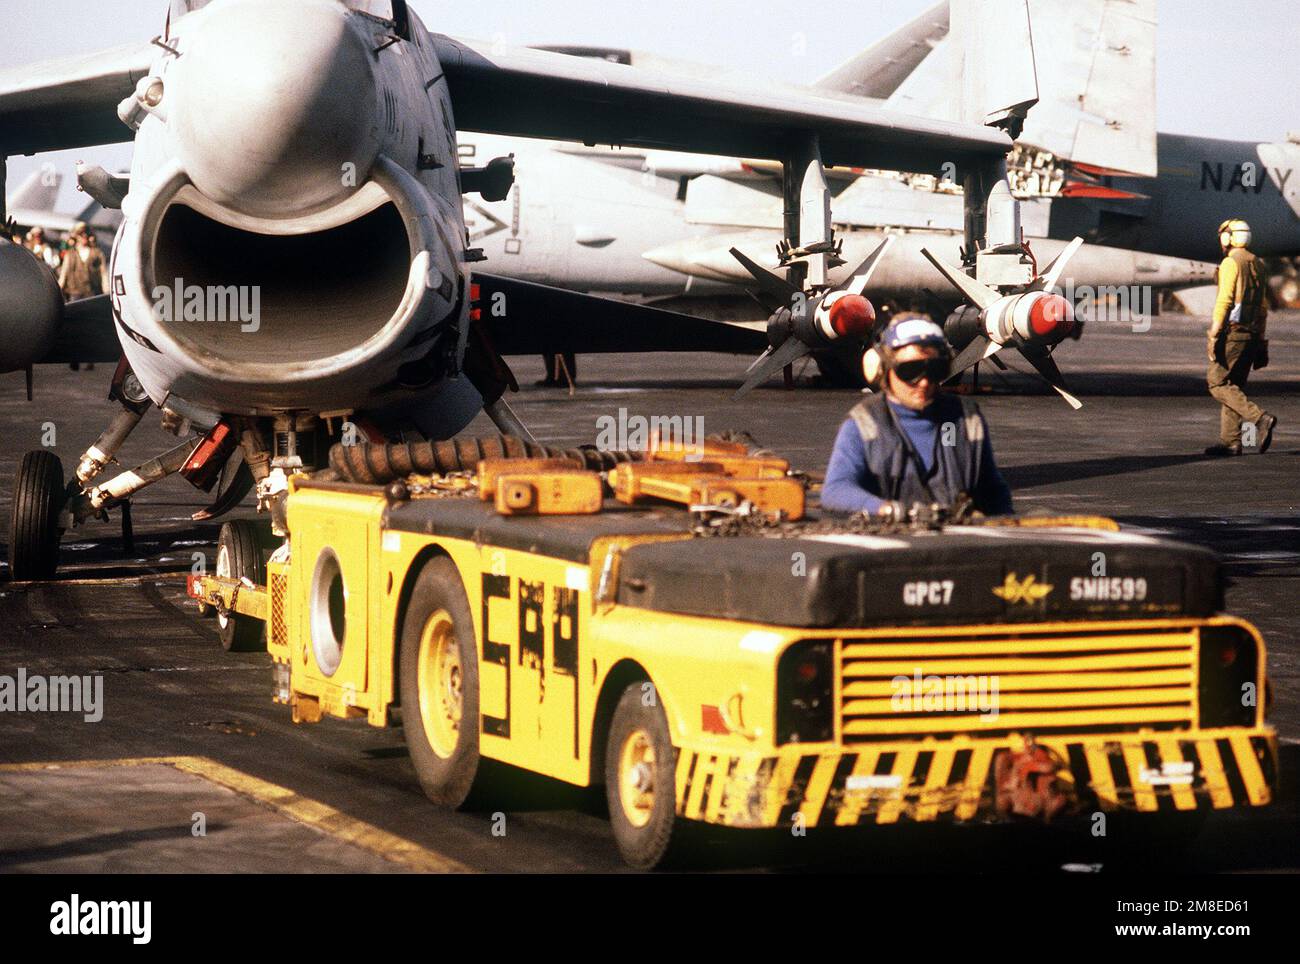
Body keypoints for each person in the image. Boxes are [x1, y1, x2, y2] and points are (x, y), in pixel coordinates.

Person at [822, 317, 1013, 517]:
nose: (923, 383)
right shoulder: (864, 423)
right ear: (883, 370)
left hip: (957, 541)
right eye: (910, 371)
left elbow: (992, 490)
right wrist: (887, 509)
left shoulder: (966, 419)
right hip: (890, 539)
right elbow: (835, 490)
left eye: (934, 370)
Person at [1204, 219, 1277, 456]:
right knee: (1233, 385)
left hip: (1234, 334)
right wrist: (1262, 342)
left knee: (1217, 383)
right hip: (1253, 334)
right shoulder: (1258, 263)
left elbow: (1224, 300)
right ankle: (1232, 442)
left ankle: (1260, 418)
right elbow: (1263, 307)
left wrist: (1214, 333)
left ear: (1228, 238)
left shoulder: (1230, 263)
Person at [57, 222, 110, 301]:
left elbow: (103, 274)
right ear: (76, 236)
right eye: (81, 234)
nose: (84, 236)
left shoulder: (97, 253)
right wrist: (57, 293)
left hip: (92, 293)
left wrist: (107, 293)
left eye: (86, 233)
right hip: (75, 294)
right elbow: (63, 275)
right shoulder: (70, 254)